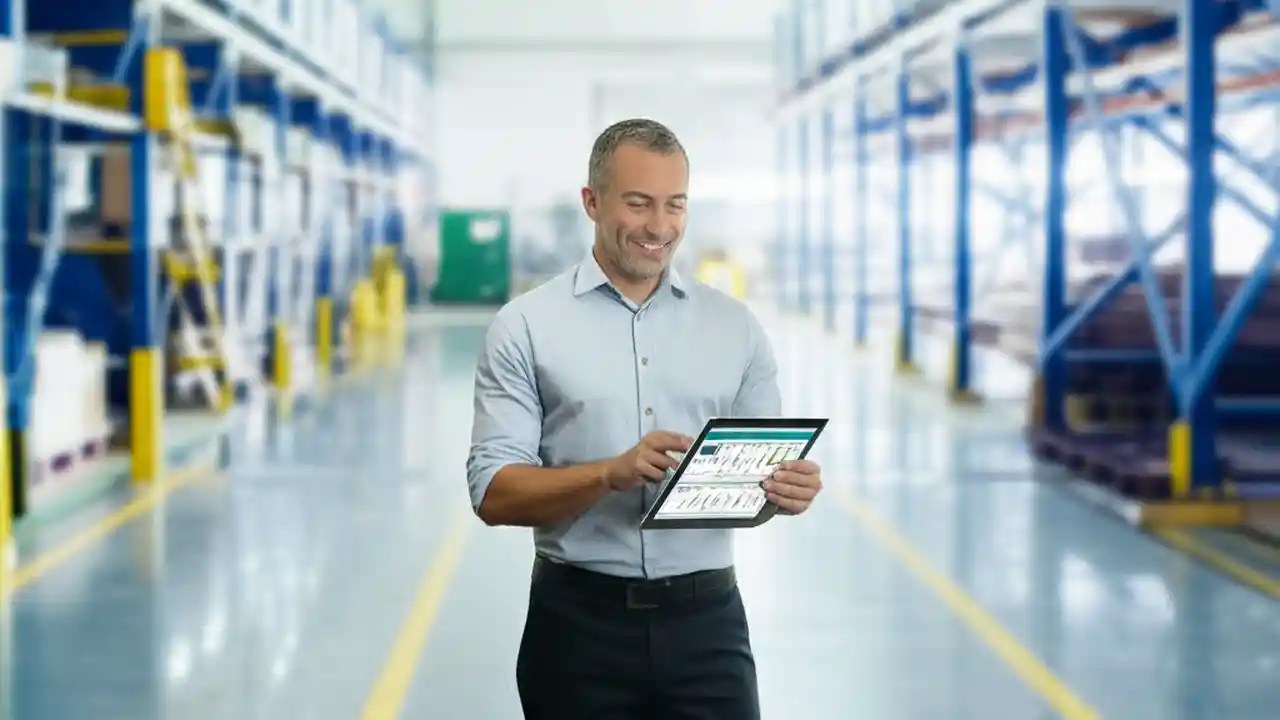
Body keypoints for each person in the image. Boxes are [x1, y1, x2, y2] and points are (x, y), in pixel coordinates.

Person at [466, 117, 824, 719]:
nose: (659, 226)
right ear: (592, 201)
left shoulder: (735, 329)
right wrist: (609, 473)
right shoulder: (525, 327)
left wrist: (782, 490)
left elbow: (753, 491)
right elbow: (493, 494)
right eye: (638, 204)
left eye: (674, 205)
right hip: (578, 630)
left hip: (708, 628)